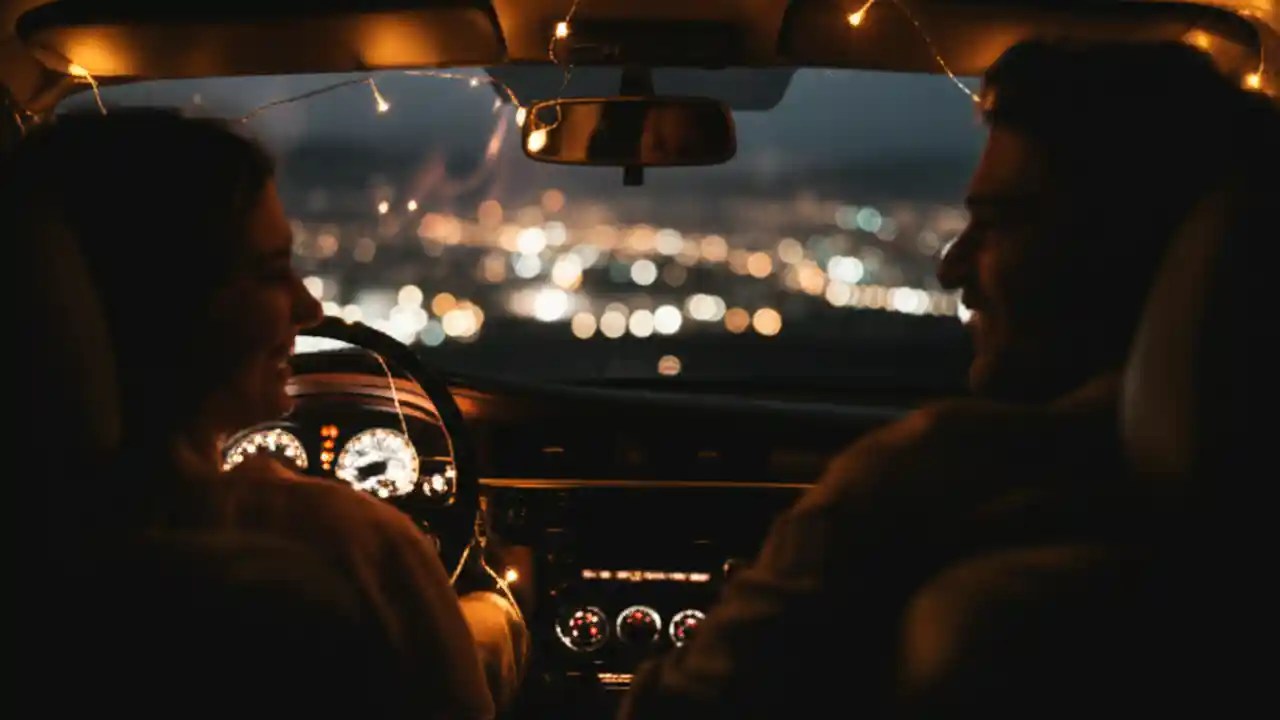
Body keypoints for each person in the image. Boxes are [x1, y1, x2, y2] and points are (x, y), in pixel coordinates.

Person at [620, 39, 1276, 718]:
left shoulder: (922, 480)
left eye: (996, 224)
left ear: (1123, 247)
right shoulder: (1237, 529)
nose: (951, 267)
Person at [10, 109, 524, 718]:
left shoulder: (32, 556)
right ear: (167, 302)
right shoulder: (351, 550)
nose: (307, 307)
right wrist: (500, 615)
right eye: (272, 272)